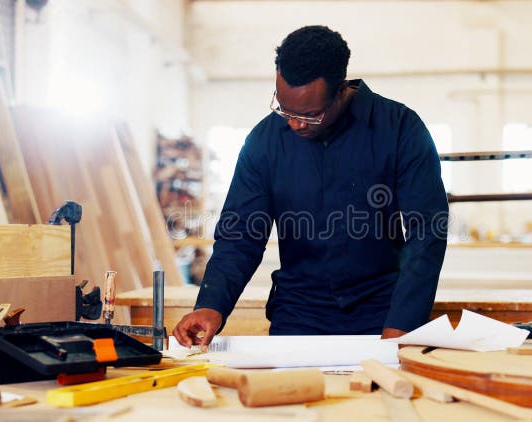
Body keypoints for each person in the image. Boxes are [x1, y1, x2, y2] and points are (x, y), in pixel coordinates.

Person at [173, 25, 448, 349]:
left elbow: (427, 231)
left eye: (311, 115)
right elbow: (241, 234)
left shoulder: (399, 128)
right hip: (297, 317)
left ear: (341, 89)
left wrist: (403, 324)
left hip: (383, 314)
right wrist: (212, 304)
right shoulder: (264, 142)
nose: (295, 124)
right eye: (284, 109)